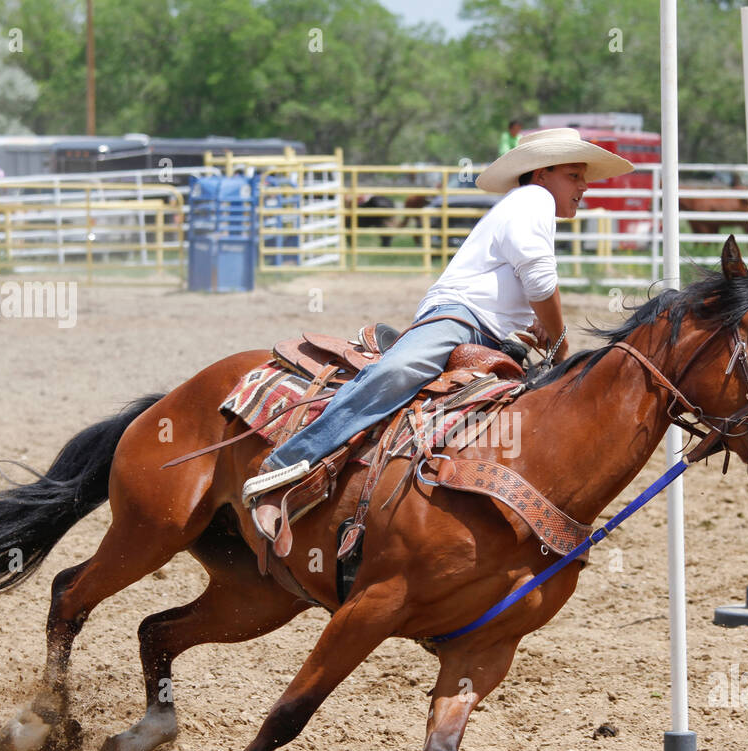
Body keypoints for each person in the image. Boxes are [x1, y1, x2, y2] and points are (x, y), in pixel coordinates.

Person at [243, 128, 634, 499]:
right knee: (398, 371)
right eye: (574, 175)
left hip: (488, 332)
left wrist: (531, 323)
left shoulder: (531, 205)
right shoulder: (534, 199)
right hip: (460, 320)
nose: (584, 186)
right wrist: (561, 345)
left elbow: (527, 281)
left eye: (583, 177)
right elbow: (540, 281)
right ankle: (291, 459)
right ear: (542, 174)